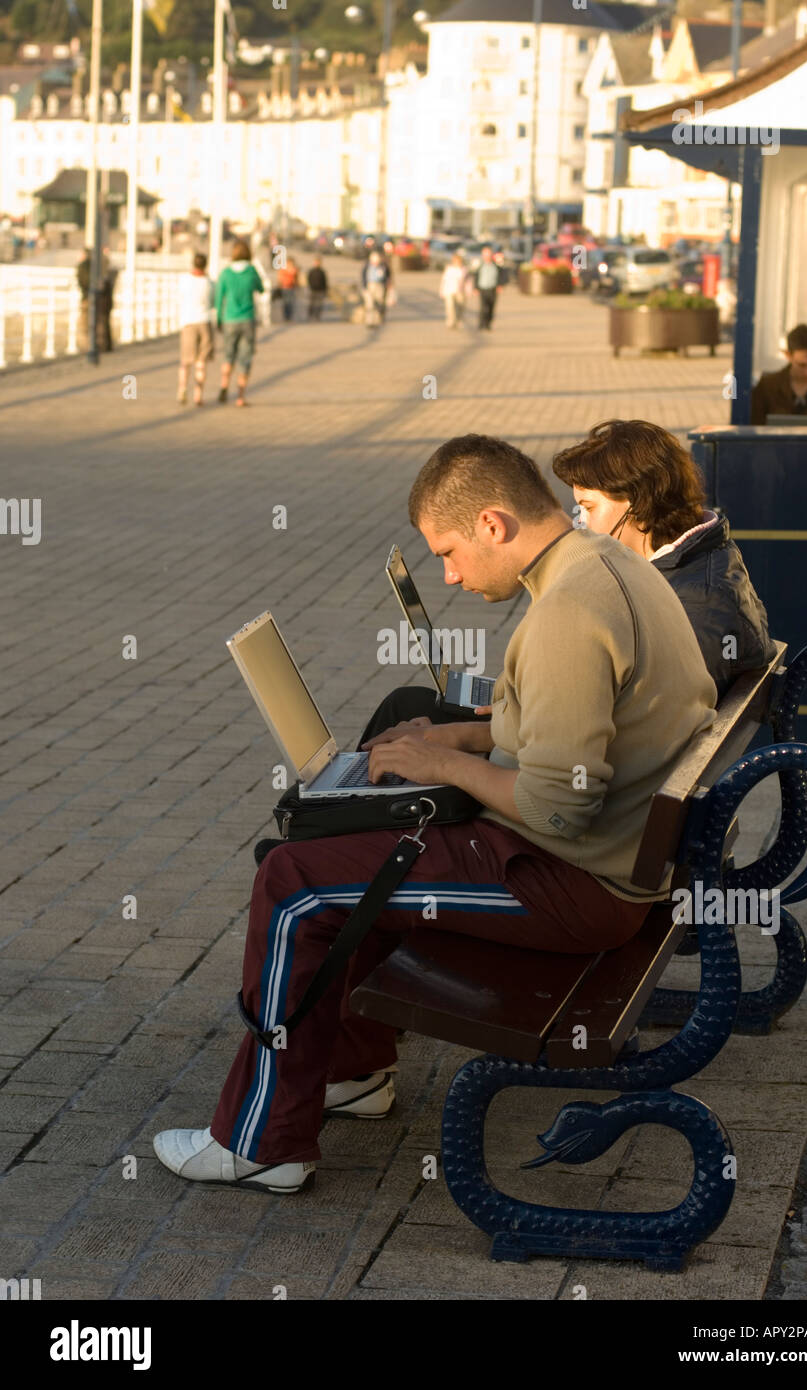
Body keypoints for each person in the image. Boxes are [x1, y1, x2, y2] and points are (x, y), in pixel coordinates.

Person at [153, 433, 716, 1194]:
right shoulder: (604, 561)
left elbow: (555, 809)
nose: (447, 575)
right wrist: (459, 733)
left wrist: (443, 765)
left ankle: (263, 1140)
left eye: (448, 551)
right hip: (616, 858)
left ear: (493, 523)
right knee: (357, 839)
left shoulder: (563, 616)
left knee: (295, 883)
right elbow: (570, 721)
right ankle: (351, 1071)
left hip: (575, 885)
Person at [552, 419, 775, 699]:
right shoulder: (700, 559)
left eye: (589, 508)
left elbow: (657, 712)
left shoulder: (696, 601)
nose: (580, 523)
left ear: (637, 505)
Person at [215, 239, 264, 407]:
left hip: (229, 318)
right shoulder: (251, 271)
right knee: (245, 357)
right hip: (247, 319)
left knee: (228, 356)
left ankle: (224, 386)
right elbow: (261, 288)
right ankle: (240, 397)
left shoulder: (226, 273)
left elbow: (219, 297)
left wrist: (219, 319)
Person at [177, 251, 215, 407]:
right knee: (201, 362)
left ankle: (182, 389)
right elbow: (212, 303)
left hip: (188, 322)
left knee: (185, 362)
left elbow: (179, 298)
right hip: (204, 321)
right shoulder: (209, 283)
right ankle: (198, 395)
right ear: (205, 264)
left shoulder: (184, 280)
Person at [474, 245, 501, 331]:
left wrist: (500, 285)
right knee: (483, 307)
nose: (487, 257)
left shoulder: (496, 265)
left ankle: (488, 323)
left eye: (489, 254)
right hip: (483, 288)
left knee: (491, 307)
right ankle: (481, 323)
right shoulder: (480, 265)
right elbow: (475, 276)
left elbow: (501, 275)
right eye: (485, 255)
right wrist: (475, 288)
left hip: (493, 288)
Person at [361, 250, 391, 328]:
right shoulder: (367, 266)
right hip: (370, 285)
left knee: (378, 305)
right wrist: (364, 287)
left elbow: (388, 276)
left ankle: (377, 321)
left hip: (380, 286)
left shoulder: (383, 266)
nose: (375, 262)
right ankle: (369, 321)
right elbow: (363, 277)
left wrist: (387, 286)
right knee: (369, 305)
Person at [440, 251, 468, 330]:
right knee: (450, 307)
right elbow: (444, 280)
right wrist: (442, 290)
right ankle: (451, 321)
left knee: (460, 307)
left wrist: (468, 291)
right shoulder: (449, 269)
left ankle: (459, 321)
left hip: (461, 291)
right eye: (455, 260)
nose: (457, 262)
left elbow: (468, 281)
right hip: (449, 290)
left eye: (458, 260)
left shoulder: (464, 269)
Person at [277, 256, 299, 321]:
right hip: (285, 287)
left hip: (291, 287)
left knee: (290, 302)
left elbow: (296, 278)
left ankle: (289, 315)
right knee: (285, 302)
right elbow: (280, 278)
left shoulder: (294, 269)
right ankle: (286, 315)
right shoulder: (283, 269)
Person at [306, 257, 328, 321]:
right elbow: (309, 279)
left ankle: (317, 315)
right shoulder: (311, 271)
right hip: (313, 289)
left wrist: (325, 289)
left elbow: (325, 281)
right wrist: (310, 287)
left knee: (319, 304)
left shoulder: (322, 272)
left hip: (321, 290)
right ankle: (310, 315)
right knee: (312, 303)